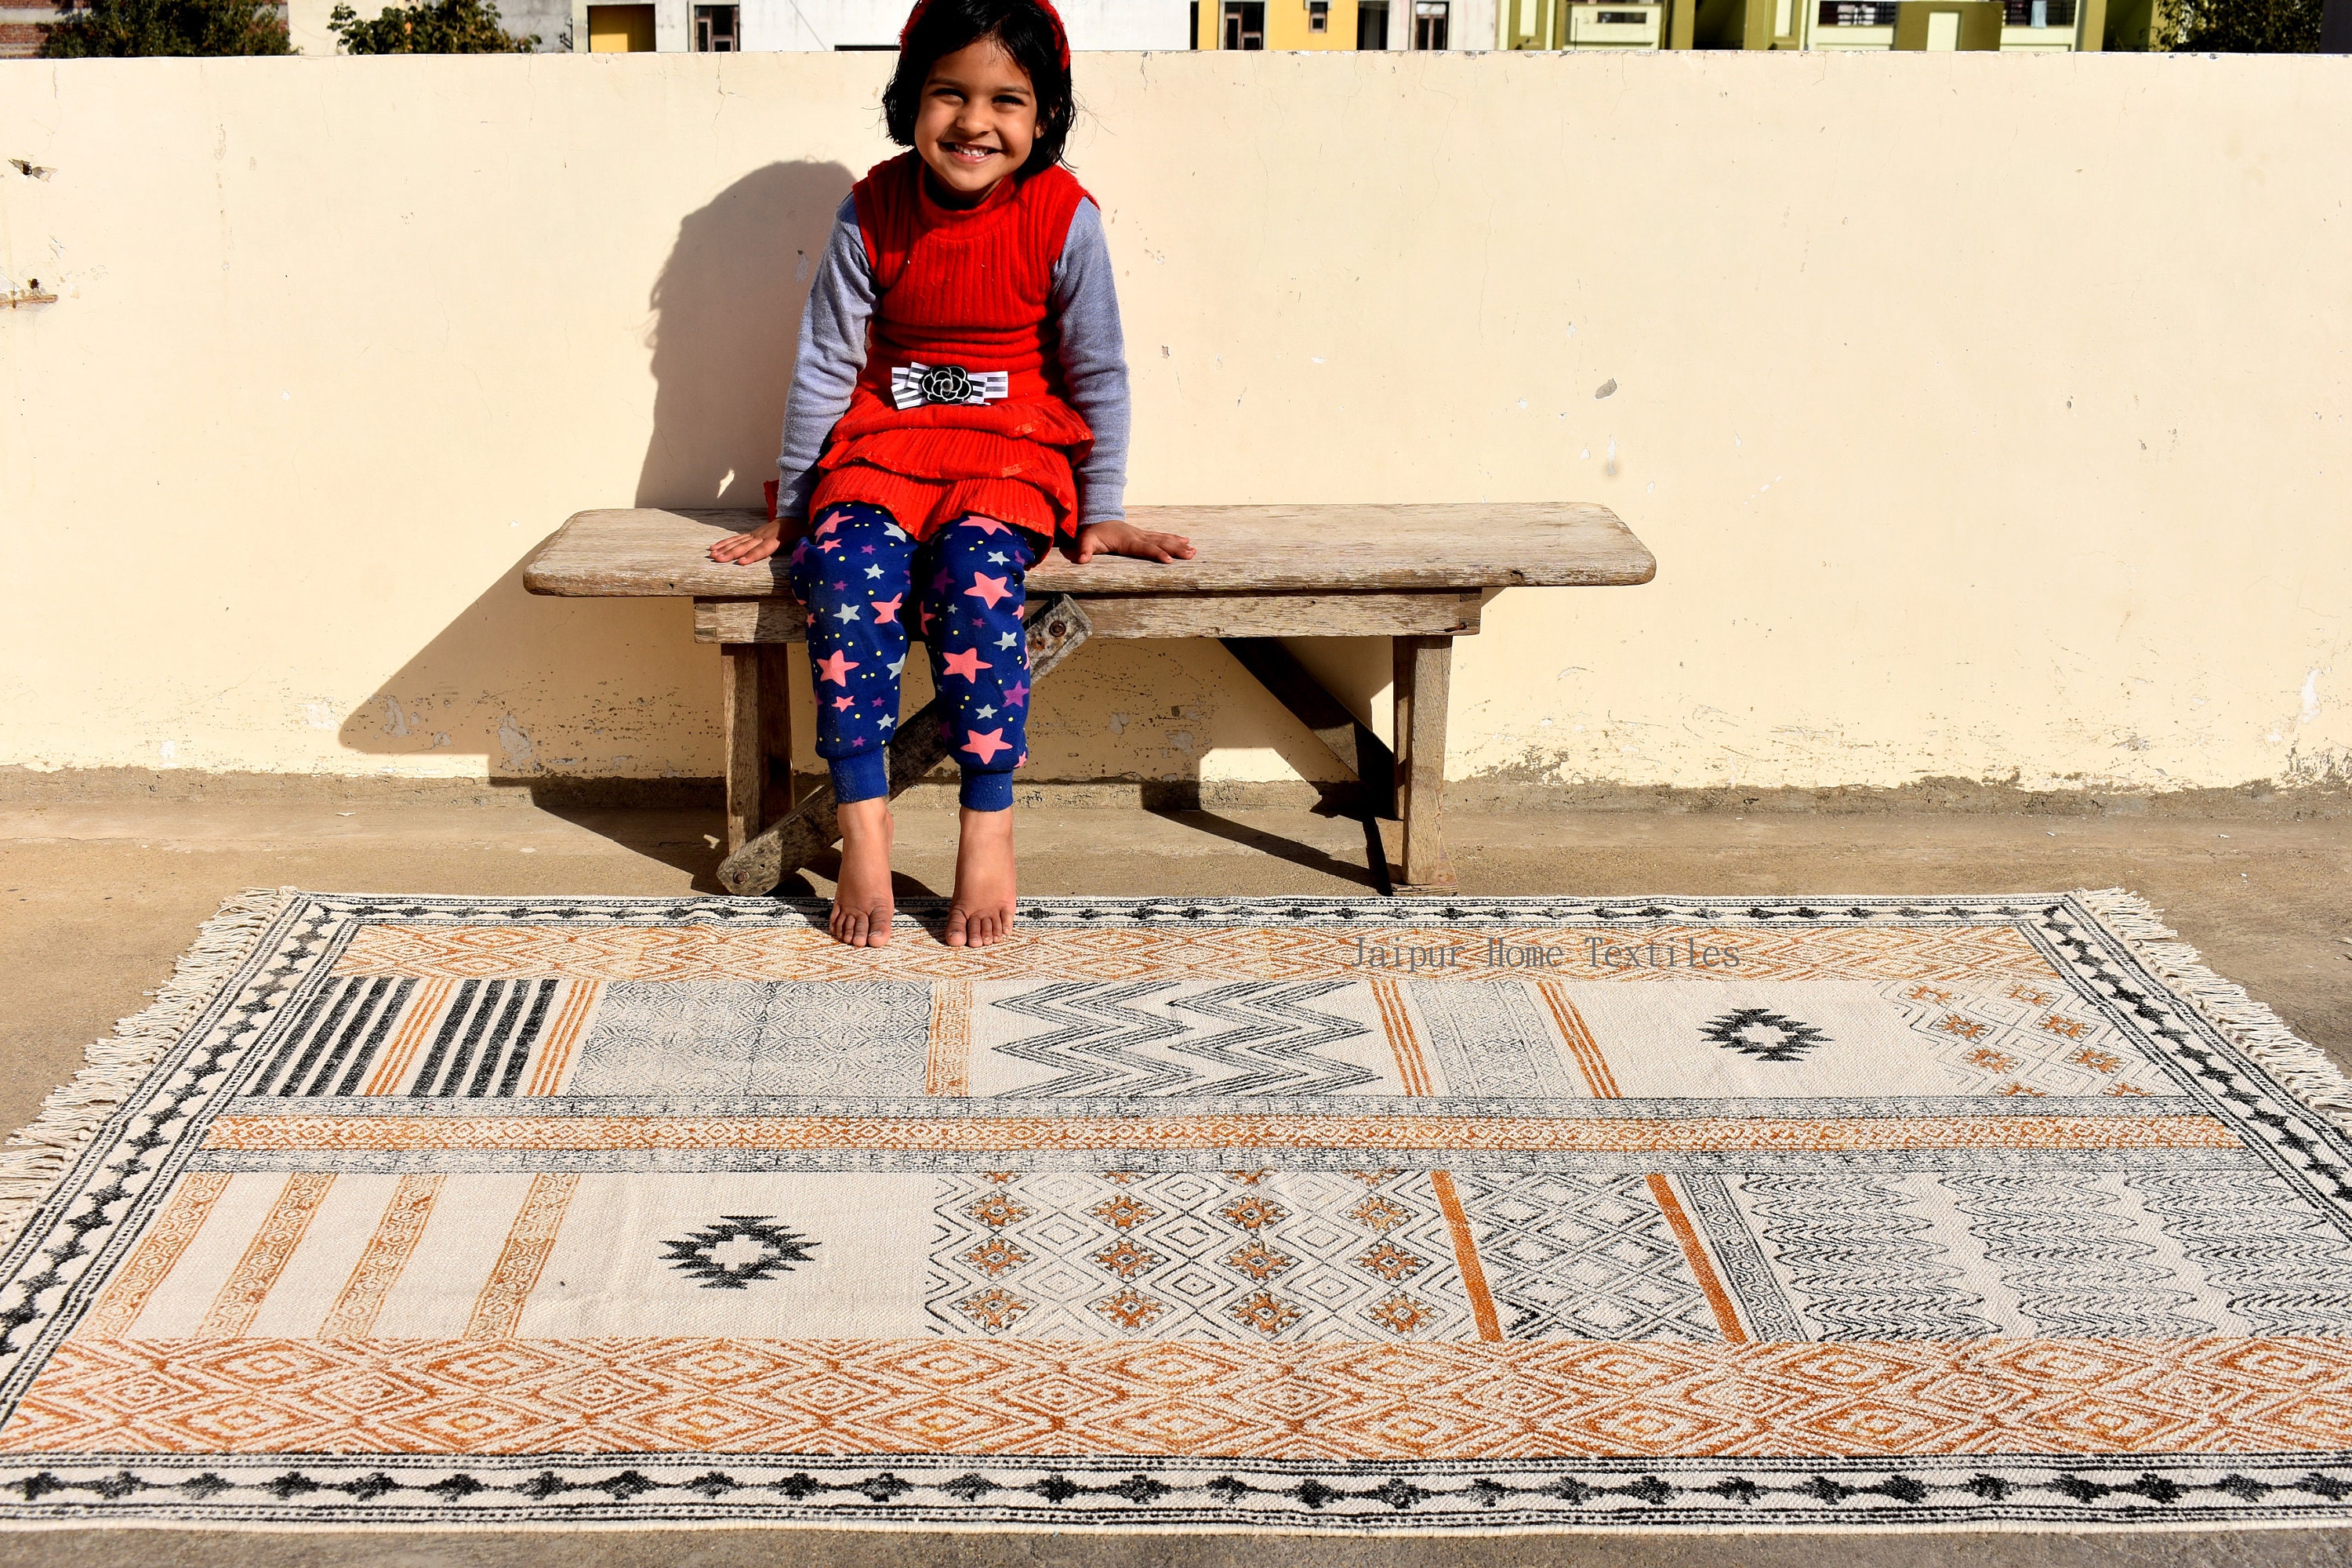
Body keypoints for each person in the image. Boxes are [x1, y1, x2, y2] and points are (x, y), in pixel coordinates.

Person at [709, 0, 1192, 950]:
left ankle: (988, 819)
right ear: (911, 100)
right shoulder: (872, 211)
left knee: (975, 579)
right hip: (884, 450)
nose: (976, 122)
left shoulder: (1064, 219)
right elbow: (824, 366)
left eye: (1006, 99)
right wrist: (799, 512)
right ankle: (863, 821)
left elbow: (1098, 368)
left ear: (1043, 115)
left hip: (1009, 458)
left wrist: (1103, 510)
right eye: (950, 94)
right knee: (844, 577)